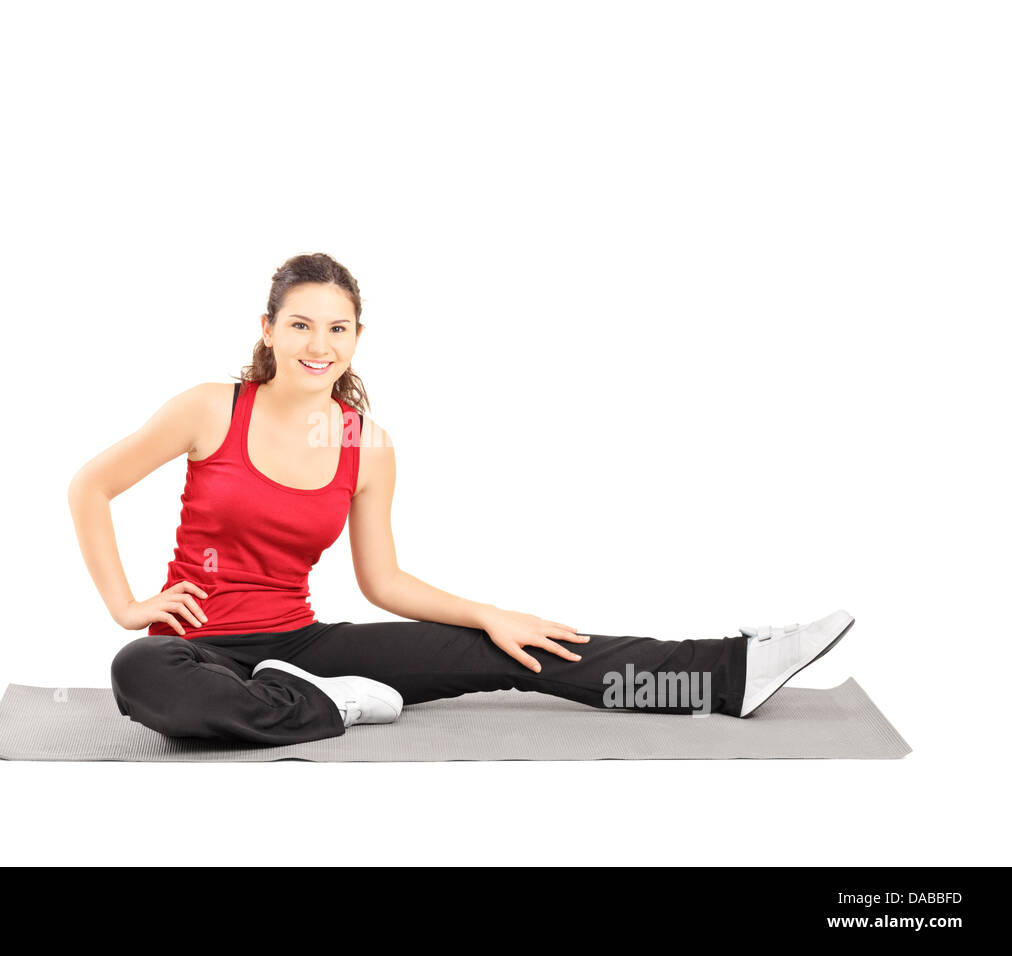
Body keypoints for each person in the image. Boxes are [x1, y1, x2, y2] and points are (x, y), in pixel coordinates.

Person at [67, 252, 854, 746]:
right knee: (140, 670)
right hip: (198, 647)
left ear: (356, 339)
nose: (318, 344)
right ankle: (328, 710)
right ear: (267, 329)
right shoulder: (212, 408)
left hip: (301, 645)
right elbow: (89, 486)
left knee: (512, 651)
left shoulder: (363, 443)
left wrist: (488, 616)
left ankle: (726, 673)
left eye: (336, 329)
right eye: (300, 324)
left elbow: (384, 583)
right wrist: (127, 604)